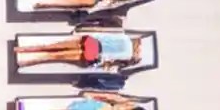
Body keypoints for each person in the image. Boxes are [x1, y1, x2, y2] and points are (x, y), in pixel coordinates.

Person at [14, 30, 143, 71]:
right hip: (94, 53)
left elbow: (104, 36)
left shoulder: (125, 37)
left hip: (91, 42)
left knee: (52, 46)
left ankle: (22, 49)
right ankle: (26, 63)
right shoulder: (127, 56)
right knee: (55, 57)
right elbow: (109, 58)